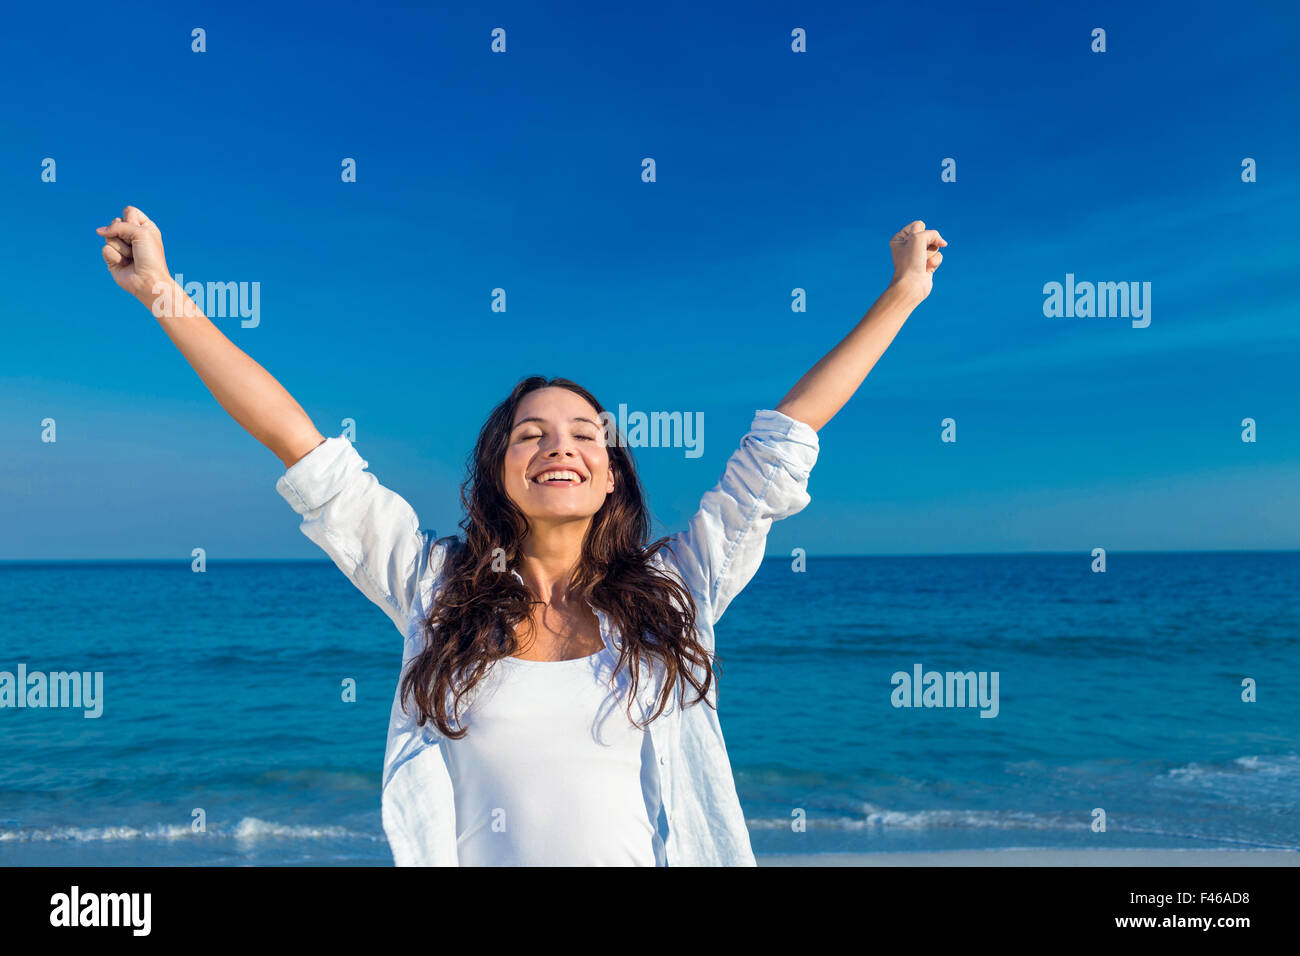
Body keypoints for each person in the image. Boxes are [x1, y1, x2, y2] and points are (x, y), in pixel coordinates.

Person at [96, 205, 946, 865]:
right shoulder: (431, 587)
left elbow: (784, 440)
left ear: (612, 472)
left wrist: (903, 293)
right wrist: (162, 293)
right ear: (499, 467)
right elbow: (300, 444)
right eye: (530, 433)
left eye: (583, 432)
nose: (559, 446)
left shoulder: (677, 591)